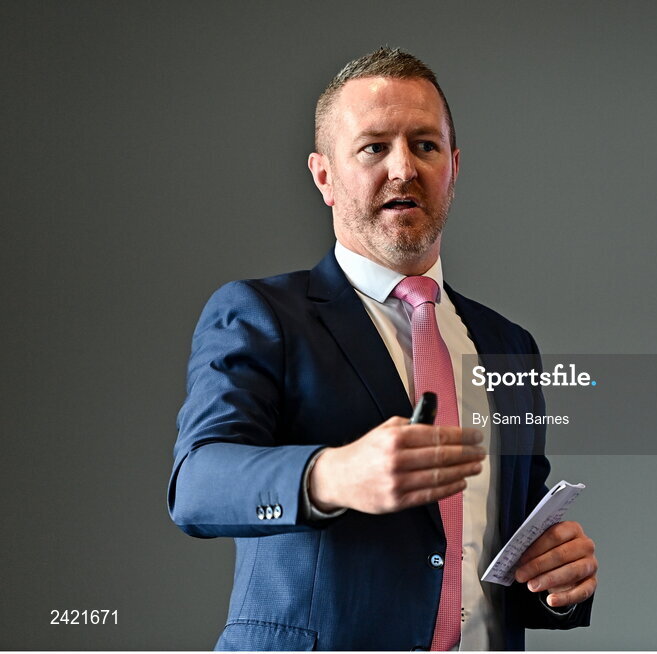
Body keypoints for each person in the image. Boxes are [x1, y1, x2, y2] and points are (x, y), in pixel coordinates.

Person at [168, 47, 597, 651]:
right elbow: (197, 488)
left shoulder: (508, 346)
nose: (403, 168)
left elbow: (500, 549)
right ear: (324, 177)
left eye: (425, 145)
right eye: (374, 147)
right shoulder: (262, 315)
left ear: (453, 167)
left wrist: (558, 575)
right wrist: (333, 474)